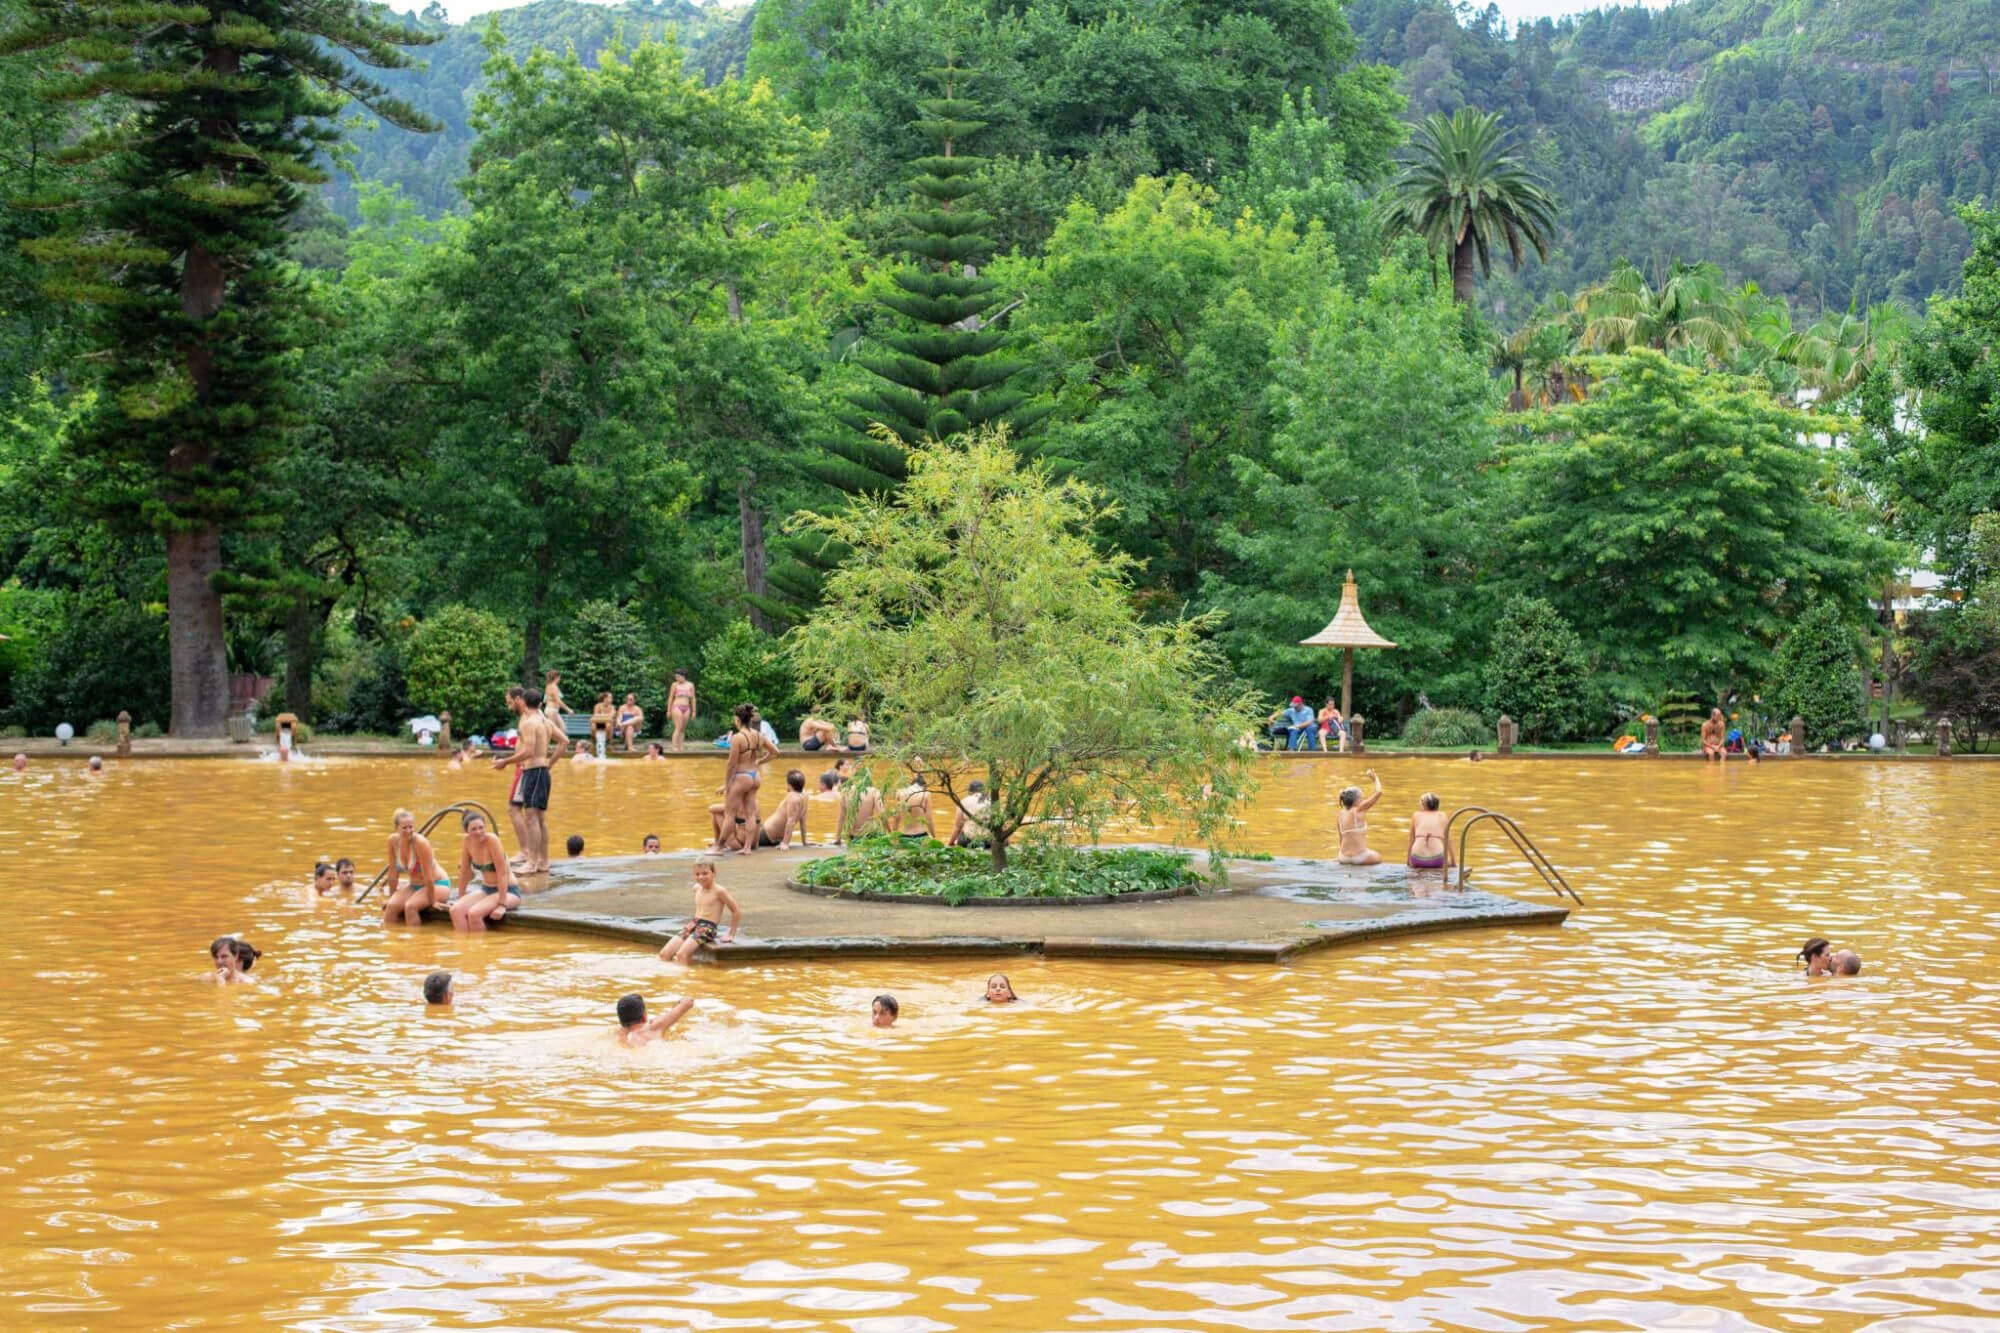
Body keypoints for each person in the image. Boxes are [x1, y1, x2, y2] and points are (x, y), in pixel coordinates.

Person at [495, 686, 554, 873]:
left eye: (510, 702)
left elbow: (528, 750)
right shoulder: (543, 721)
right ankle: (542, 861)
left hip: (533, 771)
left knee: (532, 818)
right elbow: (564, 742)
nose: (509, 705)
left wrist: (505, 761)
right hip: (540, 770)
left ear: (522, 701)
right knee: (539, 818)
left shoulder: (529, 722)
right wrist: (549, 763)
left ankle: (531, 861)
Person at [712, 703, 777, 856]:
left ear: (737, 719)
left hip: (741, 777)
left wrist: (727, 784)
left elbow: (731, 764)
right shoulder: (758, 735)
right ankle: (747, 848)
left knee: (729, 814)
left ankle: (719, 847)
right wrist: (759, 762)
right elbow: (775, 752)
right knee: (750, 814)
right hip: (755, 777)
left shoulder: (737, 738)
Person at [660, 857, 742, 963]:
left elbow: (736, 911)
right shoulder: (696, 888)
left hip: (708, 927)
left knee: (681, 955)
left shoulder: (719, 891)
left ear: (714, 873)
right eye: (697, 874)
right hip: (693, 924)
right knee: (664, 954)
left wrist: (731, 934)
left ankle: (684, 979)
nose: (701, 877)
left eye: (705, 873)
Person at [451, 809, 520, 931]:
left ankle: (479, 947)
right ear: (466, 831)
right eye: (474, 829)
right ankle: (463, 947)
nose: (478, 832)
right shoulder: (467, 841)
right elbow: (465, 872)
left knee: (474, 914)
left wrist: (502, 905)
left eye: (481, 827)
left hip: (508, 891)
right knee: (455, 910)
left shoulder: (492, 840)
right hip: (486, 889)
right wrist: (461, 897)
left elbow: (502, 872)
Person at [382, 807, 451, 927]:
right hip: (415, 885)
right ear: (396, 828)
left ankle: (415, 943)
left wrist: (433, 900)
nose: (409, 831)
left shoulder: (420, 843)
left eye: (411, 827)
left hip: (437, 884)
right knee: (391, 907)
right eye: (404, 828)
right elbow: (393, 874)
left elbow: (428, 876)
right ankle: (391, 941)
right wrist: (390, 897)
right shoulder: (392, 841)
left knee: (410, 907)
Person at [749, 769, 810, 848]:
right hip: (769, 833)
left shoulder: (793, 797)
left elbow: (790, 821)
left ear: (789, 785)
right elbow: (803, 821)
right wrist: (804, 841)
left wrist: (785, 843)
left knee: (740, 829)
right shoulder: (805, 796)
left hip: (766, 836)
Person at [1336, 770, 1384, 865]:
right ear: (1356, 799)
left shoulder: (1340, 814)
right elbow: (1379, 792)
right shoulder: (1359, 809)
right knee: (1379, 857)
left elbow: (1341, 839)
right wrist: (1375, 778)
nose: (1363, 800)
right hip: (1359, 858)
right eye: (1361, 798)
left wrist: (1341, 858)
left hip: (1343, 857)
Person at [617, 993, 695, 1046]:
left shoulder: (619, 1034)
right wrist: (676, 1005)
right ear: (644, 1016)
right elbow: (688, 1002)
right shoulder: (653, 1027)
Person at [1406, 791, 1453, 873]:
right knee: (1447, 861)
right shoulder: (1442, 815)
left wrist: (1408, 861)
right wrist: (1454, 862)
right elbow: (1448, 840)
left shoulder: (1416, 815)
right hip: (1437, 859)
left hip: (1417, 858)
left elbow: (1411, 839)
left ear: (1424, 805)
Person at [835, 770, 886, 843]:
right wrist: (889, 834)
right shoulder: (874, 791)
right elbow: (882, 814)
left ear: (855, 779)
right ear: (869, 779)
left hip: (852, 836)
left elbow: (841, 817)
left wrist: (838, 839)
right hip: (869, 835)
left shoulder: (845, 791)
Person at [950, 780, 992, 848]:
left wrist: (950, 843)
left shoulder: (964, 801)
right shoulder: (991, 801)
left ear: (969, 791)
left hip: (968, 841)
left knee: (962, 834)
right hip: (989, 842)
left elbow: (957, 827)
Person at [894, 772, 935, 841]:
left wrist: (893, 837)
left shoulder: (900, 792)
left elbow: (896, 818)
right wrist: (934, 836)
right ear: (924, 785)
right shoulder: (926, 794)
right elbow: (929, 819)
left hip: (904, 836)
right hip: (921, 836)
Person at [668, 670, 697, 752]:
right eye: (676, 677)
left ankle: (681, 747)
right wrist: (668, 711)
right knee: (678, 727)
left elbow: (693, 698)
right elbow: (670, 697)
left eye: (678, 676)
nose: (676, 678)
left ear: (683, 676)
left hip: (687, 708)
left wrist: (694, 711)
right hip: (677, 706)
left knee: (683, 729)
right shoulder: (674, 685)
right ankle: (674, 746)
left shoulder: (690, 685)